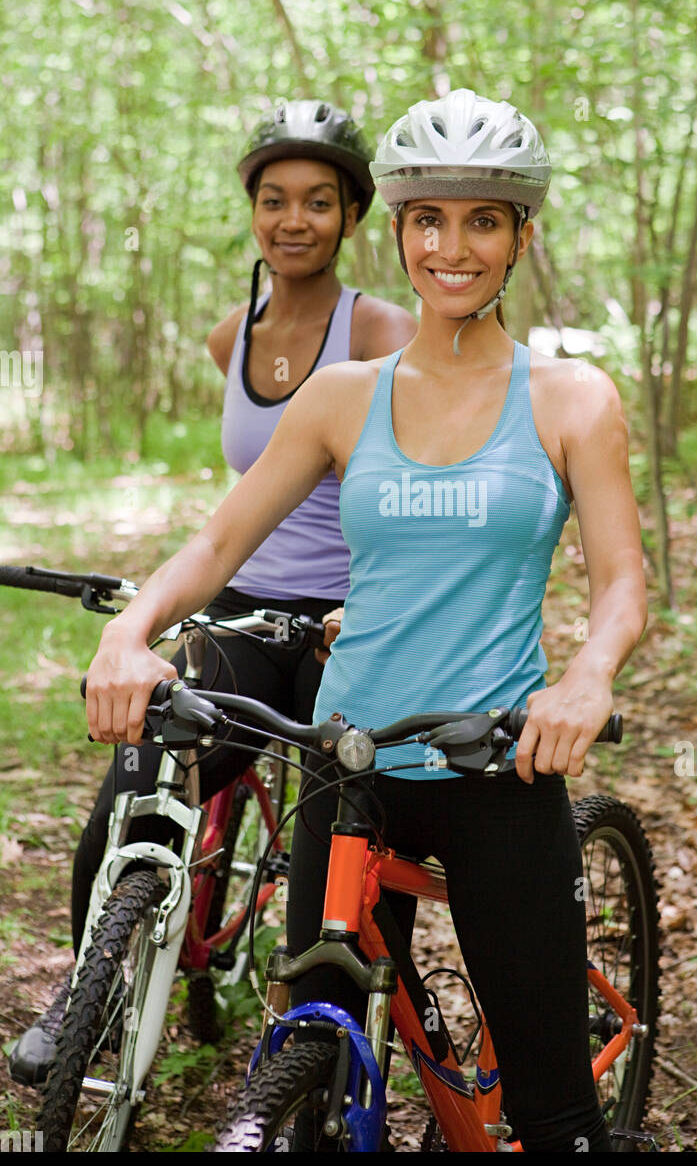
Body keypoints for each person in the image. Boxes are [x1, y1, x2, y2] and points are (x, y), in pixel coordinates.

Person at [77, 88, 647, 1151]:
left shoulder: (571, 398)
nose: (452, 245)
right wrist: (130, 630)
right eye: (429, 219)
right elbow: (214, 549)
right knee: (323, 1079)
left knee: (555, 1118)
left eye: (482, 219)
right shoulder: (343, 394)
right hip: (346, 770)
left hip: (495, 770)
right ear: (397, 231)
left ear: (521, 235)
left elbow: (620, 580)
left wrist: (587, 675)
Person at [9, 100, 416, 1086]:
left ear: (353, 217)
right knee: (139, 771)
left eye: (318, 202)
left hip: (353, 613)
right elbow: (253, 487)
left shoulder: (381, 328)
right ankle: (90, 986)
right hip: (248, 599)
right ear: (251, 211)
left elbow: (421, 477)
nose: (293, 219)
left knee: (343, 806)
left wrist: (377, 599)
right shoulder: (229, 335)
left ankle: (318, 1047)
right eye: (273, 199)